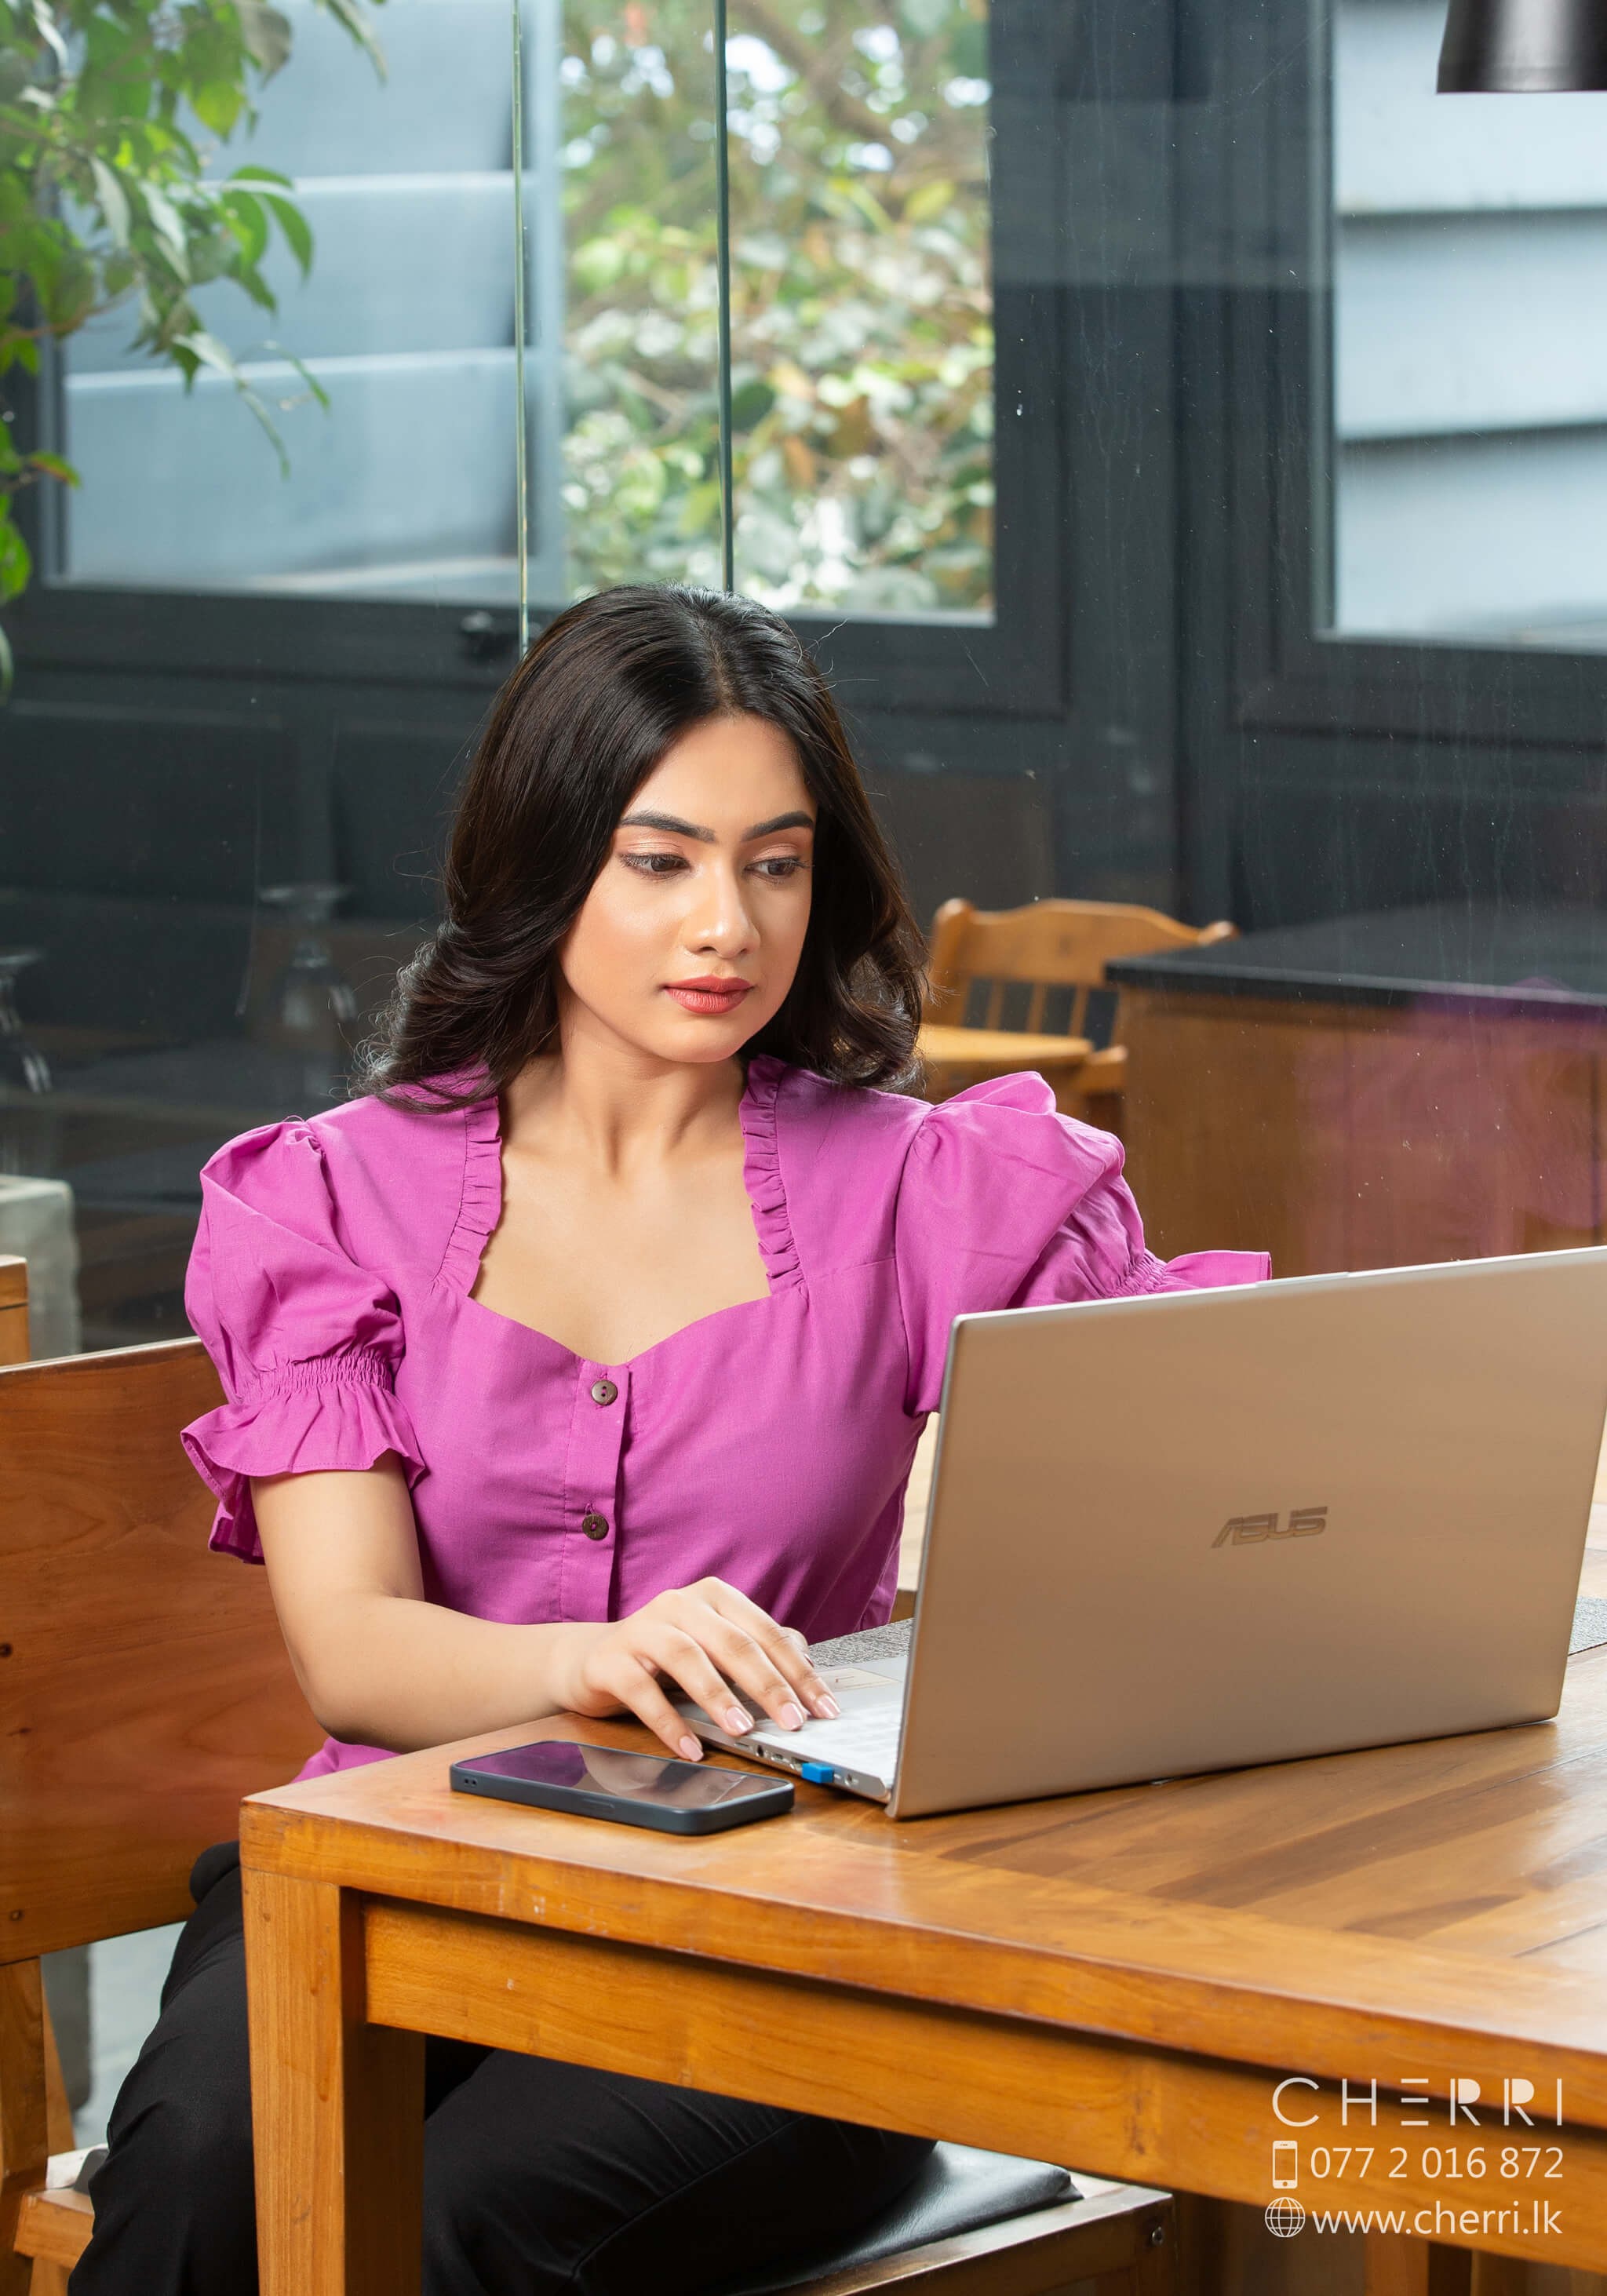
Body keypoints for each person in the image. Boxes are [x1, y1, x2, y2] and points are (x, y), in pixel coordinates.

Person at [71, 585, 1268, 2296]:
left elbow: (1147, 1522)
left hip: (797, 1954)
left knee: (446, 2221)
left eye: (774, 863)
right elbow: (352, 1655)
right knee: (199, 2177)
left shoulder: (947, 1191)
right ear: (547, 859)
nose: (727, 923)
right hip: (387, 1873)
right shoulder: (334, 1190)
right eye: (661, 858)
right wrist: (596, 1658)